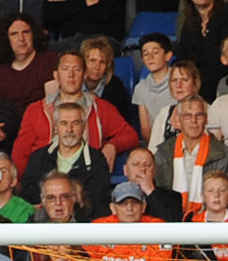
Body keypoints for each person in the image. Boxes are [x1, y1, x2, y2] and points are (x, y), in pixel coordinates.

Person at [9, 51, 139, 176]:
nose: (71, 75)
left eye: (77, 70)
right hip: (44, 177)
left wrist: (112, 146)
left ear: (84, 75)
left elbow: (131, 136)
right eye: (65, 69)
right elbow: (21, 151)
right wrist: (17, 182)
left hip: (86, 177)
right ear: (56, 75)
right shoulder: (36, 109)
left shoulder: (100, 107)